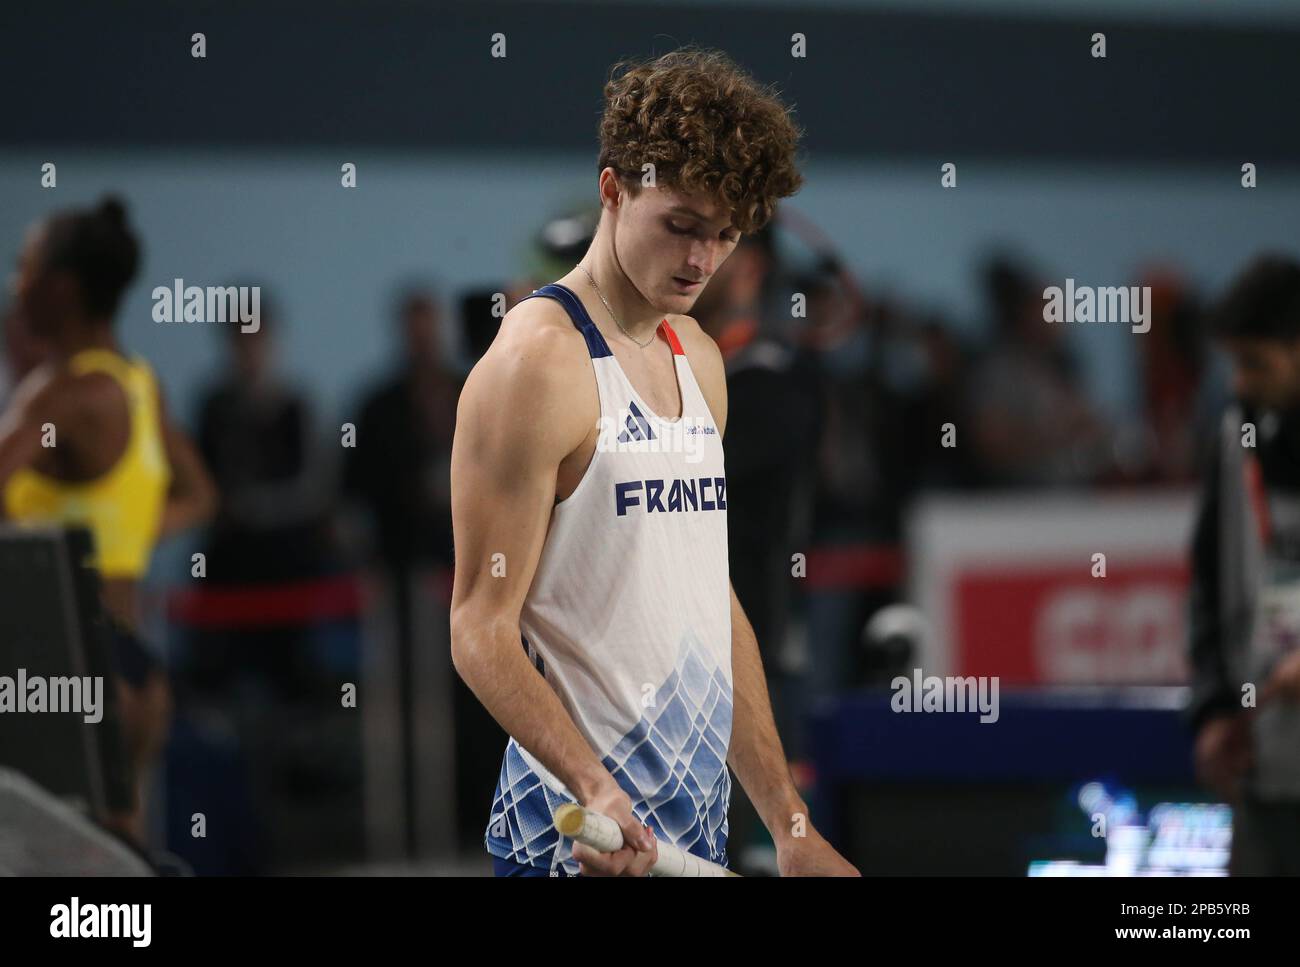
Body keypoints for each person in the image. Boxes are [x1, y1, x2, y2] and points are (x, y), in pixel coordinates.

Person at [449, 46, 858, 877]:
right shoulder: (538, 364)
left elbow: (711, 605)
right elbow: (477, 626)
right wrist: (594, 789)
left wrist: (790, 824)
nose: (703, 260)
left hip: (690, 841)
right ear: (613, 188)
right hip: (574, 841)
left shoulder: (701, 358)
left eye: (725, 236)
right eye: (681, 225)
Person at [0, 196, 217, 846]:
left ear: (59, 288)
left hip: (65, 662)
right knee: (117, 858)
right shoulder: (139, 385)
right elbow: (201, 493)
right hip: (134, 670)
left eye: (22, 266)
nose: (14, 285)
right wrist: (121, 531)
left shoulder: (59, 392)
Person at [1188, 253, 1300, 874]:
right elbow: (1208, 586)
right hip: (1266, 778)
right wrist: (1214, 709)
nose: (1239, 382)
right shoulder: (1239, 437)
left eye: (1255, 362)